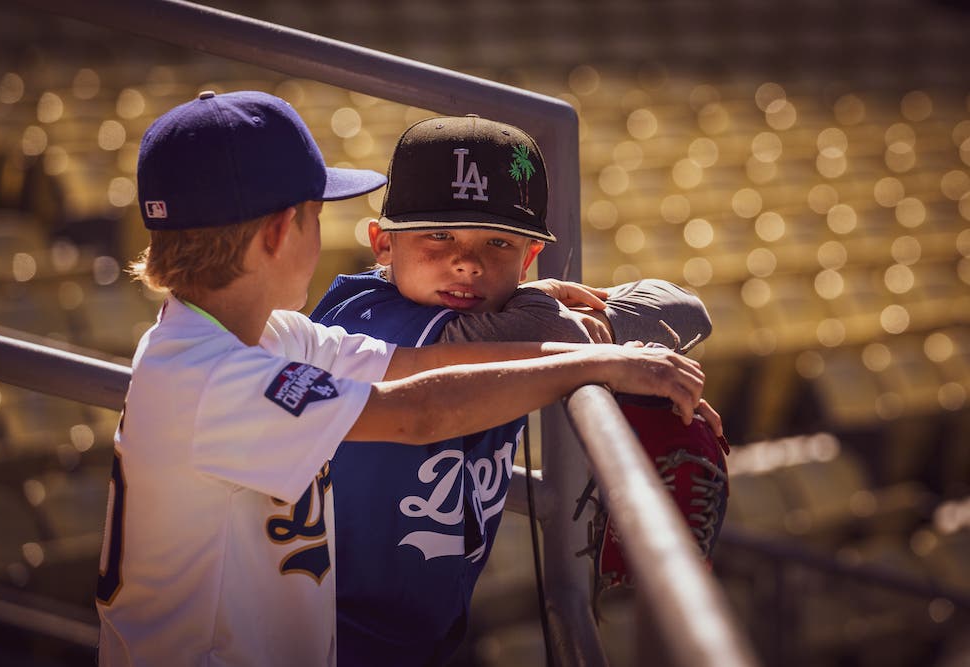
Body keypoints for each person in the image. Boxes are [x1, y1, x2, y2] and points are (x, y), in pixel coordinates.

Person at [95, 92, 715, 667]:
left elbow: (415, 368)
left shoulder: (269, 336)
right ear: (282, 231)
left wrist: (590, 349)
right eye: (318, 215)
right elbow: (419, 411)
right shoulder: (206, 377)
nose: (465, 261)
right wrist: (598, 363)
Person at [309, 114, 720, 667]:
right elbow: (550, 332)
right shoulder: (361, 317)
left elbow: (686, 311)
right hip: (321, 635)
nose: (468, 262)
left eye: (498, 242)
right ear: (383, 245)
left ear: (529, 257)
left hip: (417, 637)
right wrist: (582, 336)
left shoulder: (494, 314)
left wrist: (556, 317)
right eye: (438, 234)